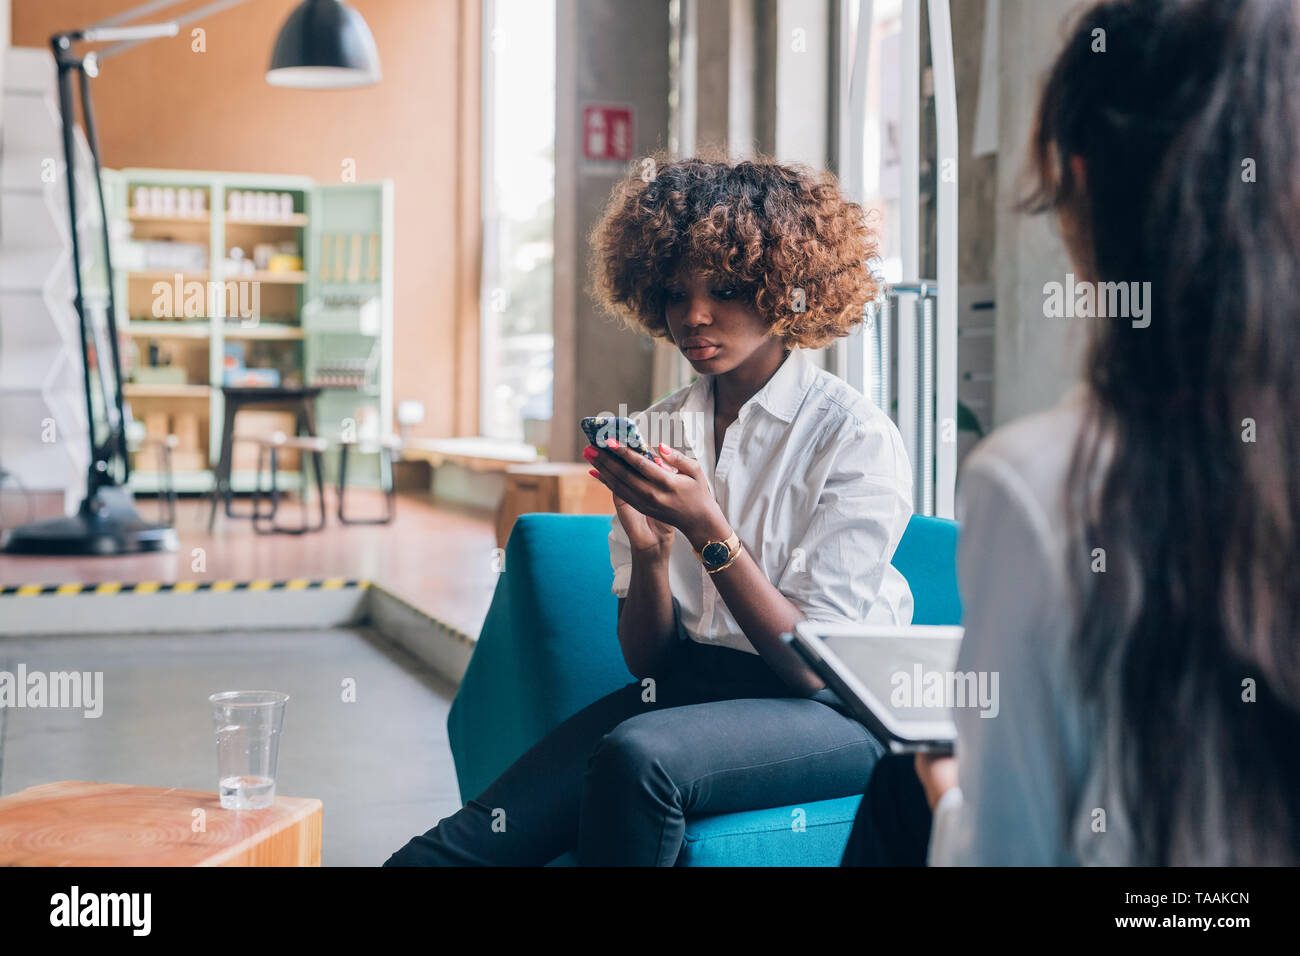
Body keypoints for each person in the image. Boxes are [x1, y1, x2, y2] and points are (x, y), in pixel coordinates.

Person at [844, 0, 1300, 867]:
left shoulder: (1044, 481)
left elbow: (1012, 849)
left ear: (1081, 183)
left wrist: (951, 802)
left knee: (905, 787)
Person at [385, 156, 914, 866]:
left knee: (640, 757)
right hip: (693, 689)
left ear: (785, 288)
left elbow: (813, 672)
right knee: (463, 842)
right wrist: (652, 554)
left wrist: (707, 530)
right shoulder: (662, 428)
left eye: (724, 289)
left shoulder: (851, 437)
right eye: (673, 292)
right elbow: (651, 661)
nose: (693, 315)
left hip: (833, 711)